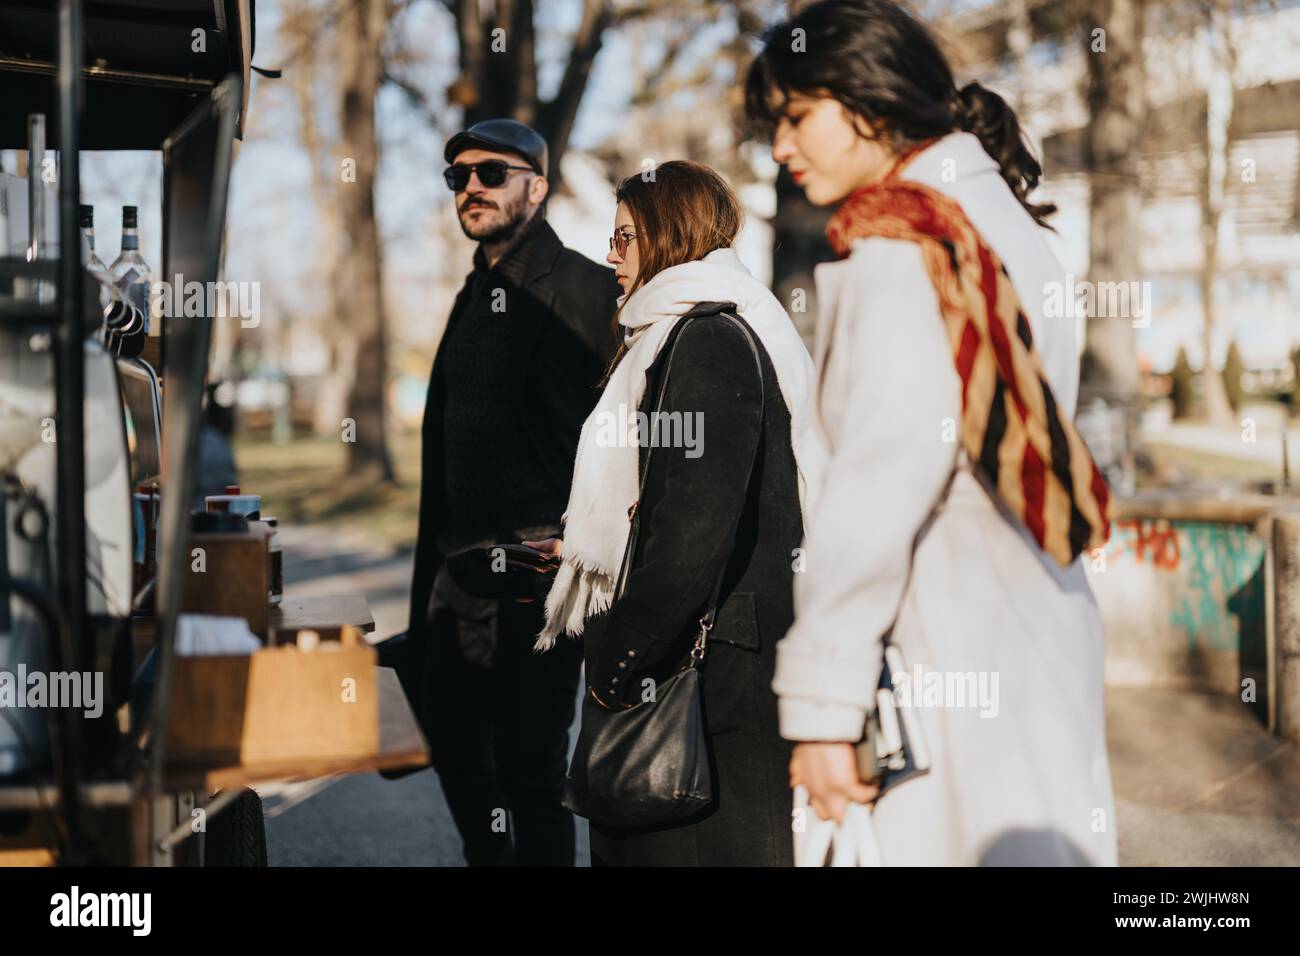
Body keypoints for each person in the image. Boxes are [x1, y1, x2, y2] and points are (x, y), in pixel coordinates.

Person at [744, 0, 1118, 865]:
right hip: (1033, 634)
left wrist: (824, 712)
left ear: (869, 99)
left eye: (798, 117)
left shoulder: (906, 244)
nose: (780, 148)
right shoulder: (1008, 221)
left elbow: (877, 492)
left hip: (946, 660)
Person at [527, 161, 823, 866]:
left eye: (625, 237)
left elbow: (693, 529)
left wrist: (615, 659)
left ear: (666, 235)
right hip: (699, 668)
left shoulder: (709, 337)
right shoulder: (677, 336)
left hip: (713, 686)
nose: (611, 256)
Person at [399, 119, 620, 866]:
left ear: (539, 185)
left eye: (491, 173)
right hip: (456, 578)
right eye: (457, 176)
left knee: (532, 776)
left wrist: (582, 542)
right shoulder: (475, 290)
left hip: (537, 579)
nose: (470, 188)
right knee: (453, 750)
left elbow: (622, 434)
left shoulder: (589, 288)